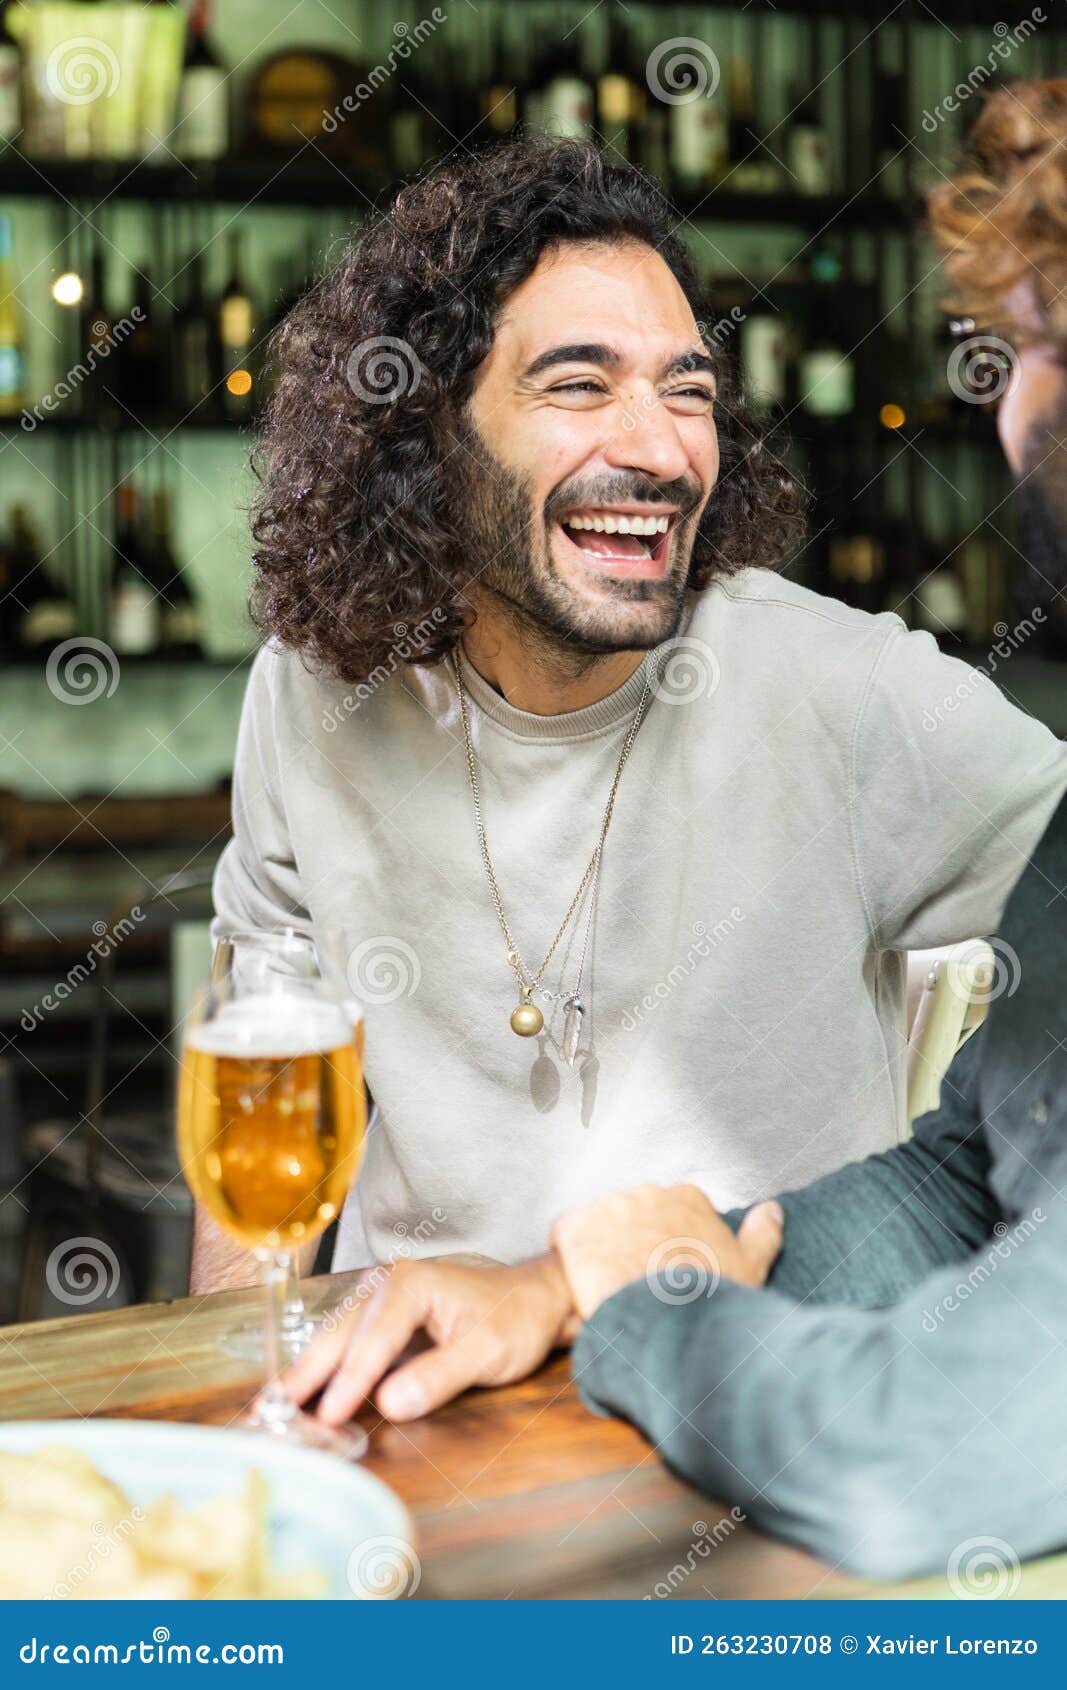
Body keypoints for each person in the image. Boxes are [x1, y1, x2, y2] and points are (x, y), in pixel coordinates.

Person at [285, 82, 1067, 1583]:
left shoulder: (831, 681)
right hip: (536, 1443)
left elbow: (933, 1454)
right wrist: (567, 1285)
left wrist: (647, 1314)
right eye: (579, 383)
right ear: (420, 439)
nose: (1004, 403)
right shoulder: (311, 697)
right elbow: (968, 1168)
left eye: (1043, 348)